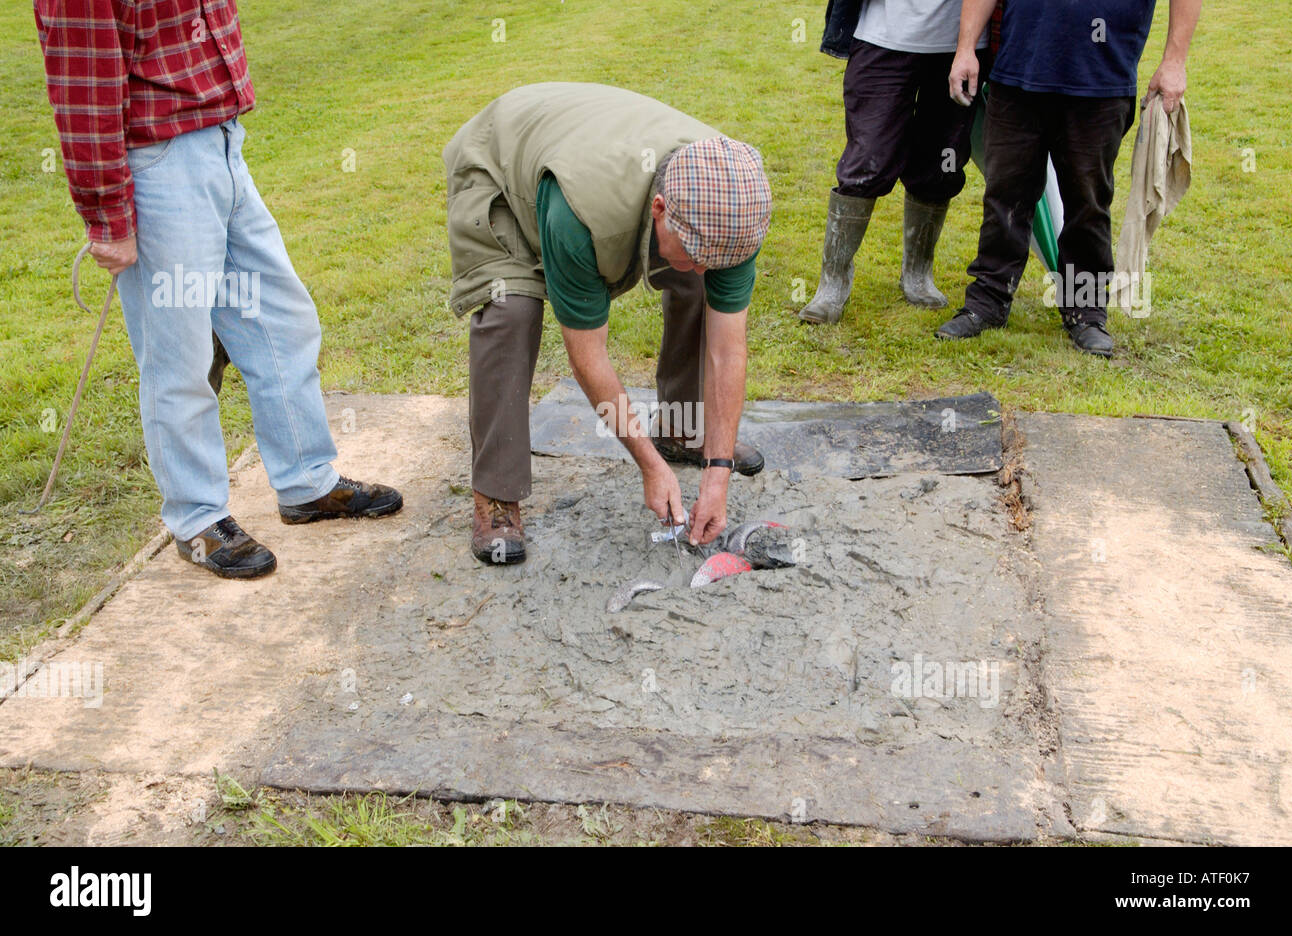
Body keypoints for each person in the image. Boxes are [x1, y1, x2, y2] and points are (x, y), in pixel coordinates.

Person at [35, 0, 402, 580]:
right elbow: (84, 89)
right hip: (159, 164)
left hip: (224, 142)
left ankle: (306, 482)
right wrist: (108, 217)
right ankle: (197, 521)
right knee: (179, 355)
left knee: (281, 320)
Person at [443, 83, 773, 565]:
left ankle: (684, 429)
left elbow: (729, 350)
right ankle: (495, 493)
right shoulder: (577, 218)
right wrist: (647, 465)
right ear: (660, 210)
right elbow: (587, 354)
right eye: (699, 253)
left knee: (697, 282)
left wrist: (717, 471)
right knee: (511, 310)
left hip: (586, 142)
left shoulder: (732, 202)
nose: (708, 266)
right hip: (503, 164)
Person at [938, 0, 1201, 357]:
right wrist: (966, 48)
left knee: (1087, 201)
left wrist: (1174, 62)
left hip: (1101, 76)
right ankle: (988, 301)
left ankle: (1086, 311)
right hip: (1019, 67)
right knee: (1005, 195)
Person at [801, 0, 990, 324]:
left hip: (961, 45)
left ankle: (917, 274)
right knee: (866, 158)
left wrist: (968, 46)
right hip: (882, 37)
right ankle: (832, 285)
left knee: (942, 162)